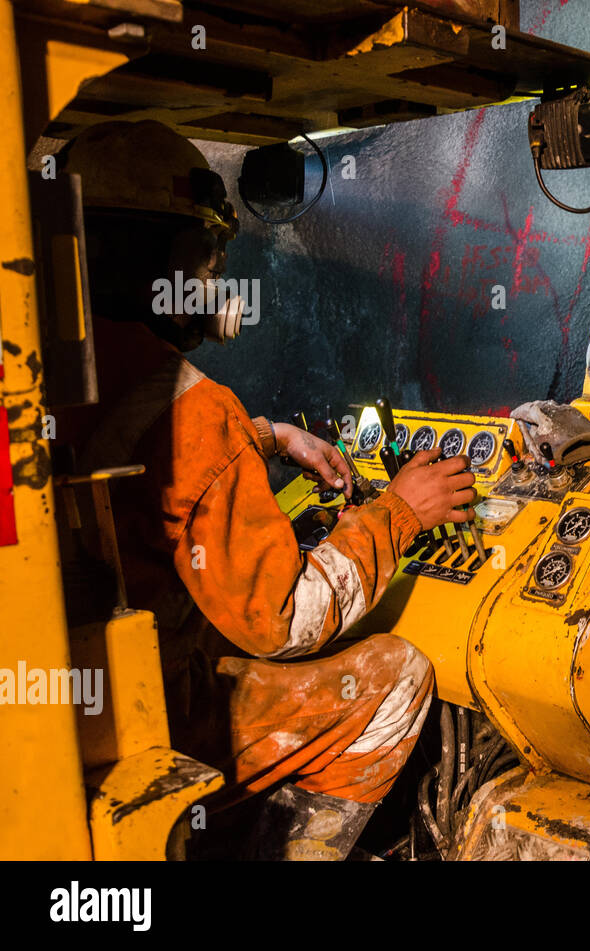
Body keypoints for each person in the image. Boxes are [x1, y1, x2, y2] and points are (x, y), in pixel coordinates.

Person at [59, 120, 472, 859]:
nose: (217, 277)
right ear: (163, 258)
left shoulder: (45, 368)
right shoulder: (192, 404)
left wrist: (272, 434)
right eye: (207, 253)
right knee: (398, 673)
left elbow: (138, 463)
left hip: (67, 711)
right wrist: (400, 513)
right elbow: (287, 620)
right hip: (160, 721)